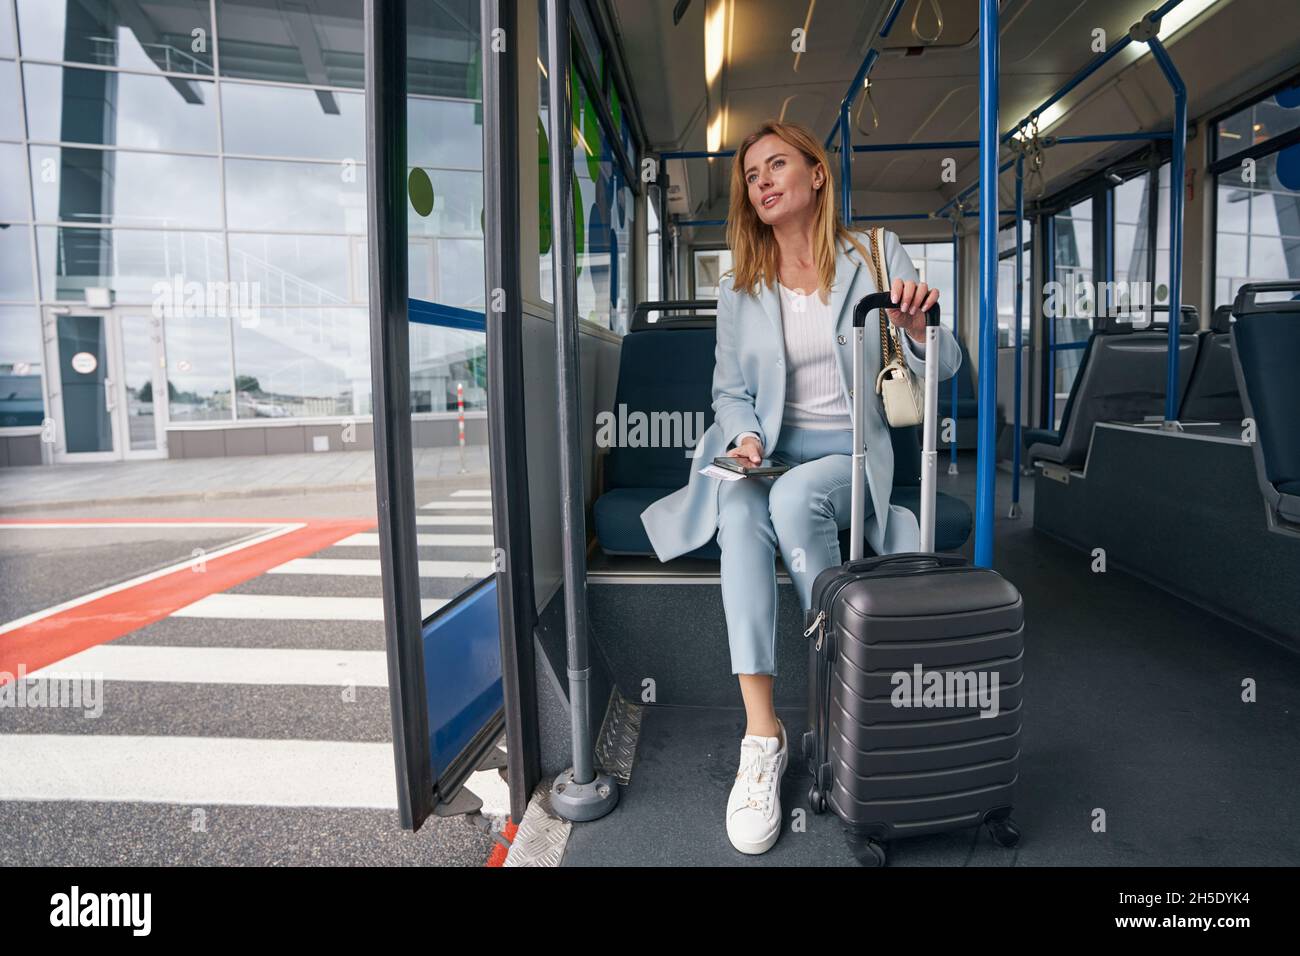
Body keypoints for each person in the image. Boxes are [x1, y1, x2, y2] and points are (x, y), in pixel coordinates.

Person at [639, 119, 961, 855]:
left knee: (784, 499)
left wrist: (917, 332)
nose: (762, 181)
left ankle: (846, 695)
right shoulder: (738, 286)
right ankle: (764, 735)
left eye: (777, 164)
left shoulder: (875, 255)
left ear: (817, 174)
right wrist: (745, 436)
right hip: (774, 454)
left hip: (855, 454)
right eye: (751, 176)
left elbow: (939, 374)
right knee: (742, 508)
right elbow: (728, 394)